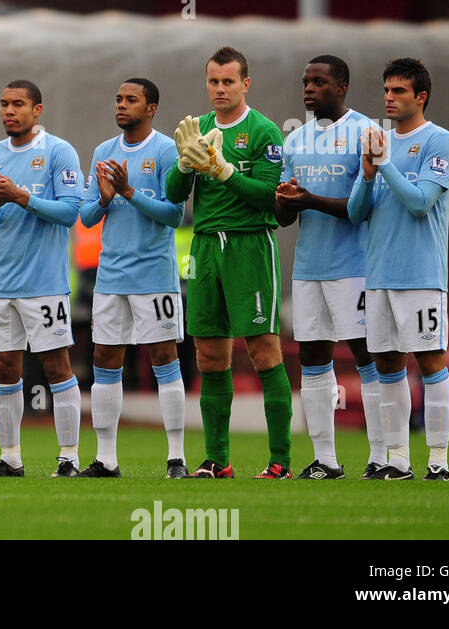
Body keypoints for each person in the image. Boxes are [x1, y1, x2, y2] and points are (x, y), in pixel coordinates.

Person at [165, 46, 292, 479]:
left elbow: (269, 198)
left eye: (228, 82)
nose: (219, 89)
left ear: (245, 84)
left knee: (262, 350)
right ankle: (218, 460)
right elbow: (172, 194)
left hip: (249, 245)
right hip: (204, 248)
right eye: (213, 81)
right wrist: (184, 164)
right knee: (209, 356)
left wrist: (222, 170)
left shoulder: (264, 131)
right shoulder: (196, 128)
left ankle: (281, 461)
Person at [273, 55, 386, 479]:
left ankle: (380, 457)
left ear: (341, 87)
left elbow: (362, 208)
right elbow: (285, 216)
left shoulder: (365, 132)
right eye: (305, 81)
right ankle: (325, 459)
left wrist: (311, 201)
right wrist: (284, 201)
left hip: (354, 266)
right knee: (313, 357)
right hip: (308, 267)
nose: (308, 88)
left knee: (367, 354)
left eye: (318, 82)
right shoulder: (296, 140)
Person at [347, 58, 449, 481]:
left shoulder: (440, 141)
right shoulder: (380, 145)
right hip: (378, 276)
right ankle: (397, 460)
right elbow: (358, 213)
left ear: (421, 97)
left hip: (421, 275)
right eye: (386, 91)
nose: (389, 99)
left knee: (430, 359)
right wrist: (367, 172)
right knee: (387, 364)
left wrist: (386, 163)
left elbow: (419, 203)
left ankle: (439, 461)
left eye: (399, 92)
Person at [0, 80, 82, 478]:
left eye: (18, 104)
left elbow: (70, 212)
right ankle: (10, 458)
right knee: (3, 368)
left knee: (55, 367)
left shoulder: (57, 151)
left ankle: (69, 459)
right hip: (0, 283)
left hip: (45, 283)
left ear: (37, 111)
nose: (9, 111)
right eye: (3, 104)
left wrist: (20, 196)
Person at [79, 78, 188, 479]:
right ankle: (106, 459)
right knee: (105, 360)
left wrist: (128, 191)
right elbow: (87, 217)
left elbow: (174, 215)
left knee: (164, 358)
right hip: (110, 278)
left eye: (131, 100)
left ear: (152, 107)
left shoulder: (164, 150)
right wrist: (106, 197)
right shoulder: (104, 152)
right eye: (119, 99)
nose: (122, 105)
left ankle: (176, 456)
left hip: (154, 277)